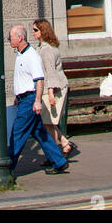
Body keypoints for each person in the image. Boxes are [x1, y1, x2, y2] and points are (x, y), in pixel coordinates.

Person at [7, 24, 68, 175]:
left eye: (11, 37)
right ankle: (59, 161)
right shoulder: (20, 54)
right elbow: (22, 78)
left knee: (17, 133)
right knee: (40, 133)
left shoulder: (31, 56)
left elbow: (39, 80)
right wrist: (17, 96)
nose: (9, 39)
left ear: (19, 38)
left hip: (29, 101)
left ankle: (7, 168)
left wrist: (37, 101)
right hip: (23, 98)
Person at [32, 18, 77, 158]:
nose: (33, 33)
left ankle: (55, 153)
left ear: (42, 31)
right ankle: (63, 144)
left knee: (48, 122)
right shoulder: (41, 47)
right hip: (48, 88)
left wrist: (50, 93)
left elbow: (50, 72)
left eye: (36, 30)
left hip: (55, 88)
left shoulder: (47, 50)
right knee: (47, 122)